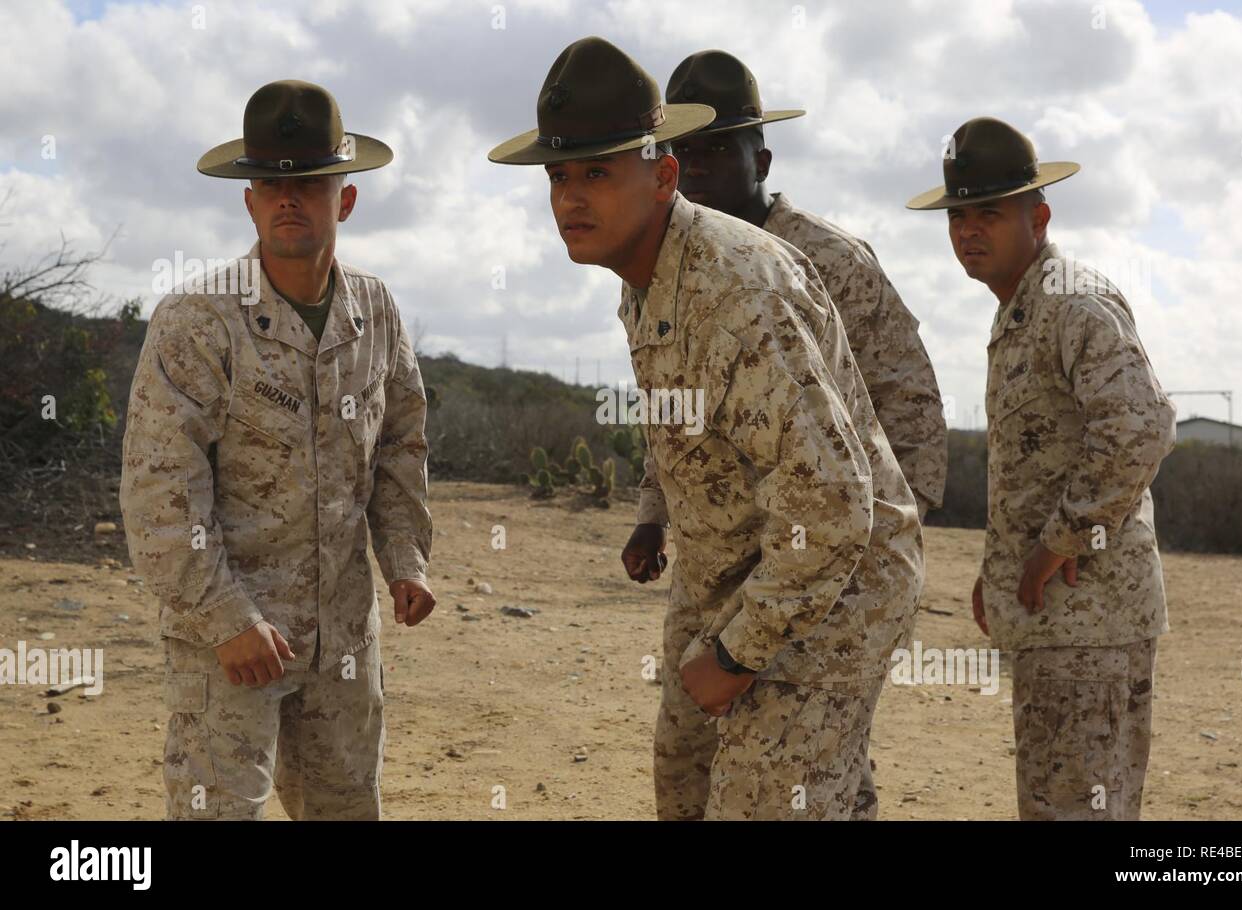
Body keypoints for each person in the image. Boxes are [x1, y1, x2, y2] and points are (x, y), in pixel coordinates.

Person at [489, 37, 923, 820]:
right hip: (728, 571)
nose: (570, 198)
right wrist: (663, 531)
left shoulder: (738, 289)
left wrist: (734, 654)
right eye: (559, 174)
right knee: (684, 786)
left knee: (762, 801)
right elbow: (687, 432)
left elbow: (830, 506)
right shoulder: (644, 277)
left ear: (663, 176)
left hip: (832, 591)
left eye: (597, 172)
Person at [121, 79, 435, 820]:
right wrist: (225, 617)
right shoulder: (197, 319)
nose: (288, 198)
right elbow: (160, 487)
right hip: (230, 640)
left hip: (342, 636)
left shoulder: (376, 309)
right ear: (250, 200)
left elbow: (400, 441)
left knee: (347, 810)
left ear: (345, 200)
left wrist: (406, 559)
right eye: (270, 182)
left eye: (310, 183)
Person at [907, 116, 1176, 819]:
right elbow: (1042, 461)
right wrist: (999, 571)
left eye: (988, 213)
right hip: (1060, 625)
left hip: (1092, 623)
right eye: (958, 215)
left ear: (1039, 216)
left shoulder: (1070, 302)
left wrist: (1060, 540)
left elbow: (1141, 427)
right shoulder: (1021, 309)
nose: (968, 230)